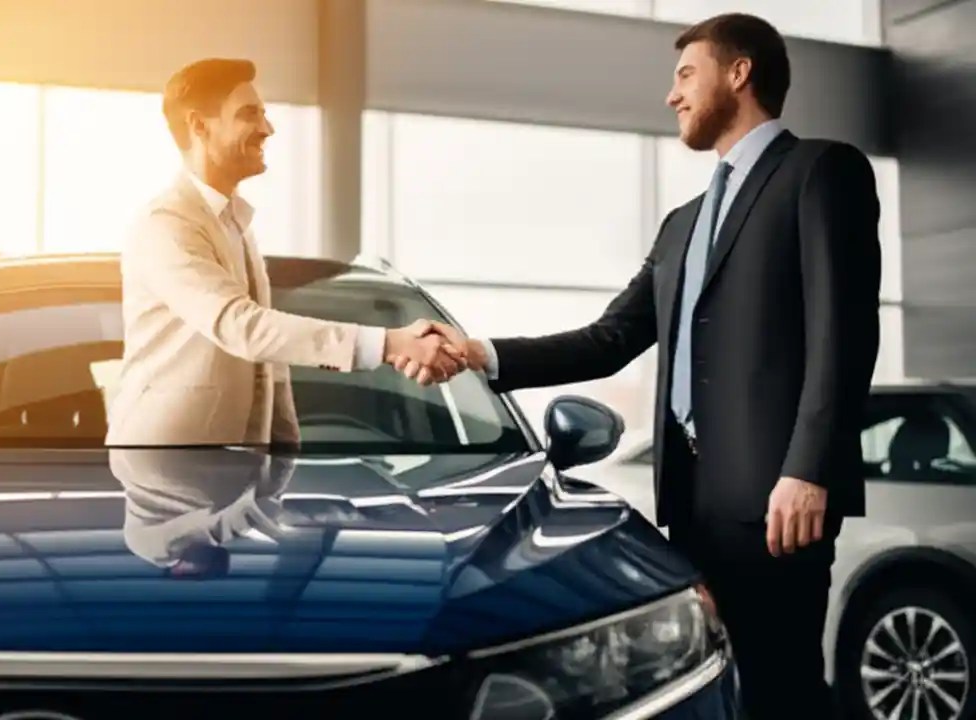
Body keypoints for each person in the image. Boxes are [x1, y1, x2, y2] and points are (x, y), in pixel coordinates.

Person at [394, 14, 881, 717]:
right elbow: (609, 338)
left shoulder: (820, 172)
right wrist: (479, 353)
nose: (671, 95)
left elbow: (844, 333)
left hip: (778, 500)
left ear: (738, 73)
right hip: (692, 501)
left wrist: (808, 471)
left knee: (782, 690)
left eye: (686, 75)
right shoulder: (683, 223)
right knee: (705, 689)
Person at [105, 58, 463, 449]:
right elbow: (243, 327)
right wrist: (389, 344)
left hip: (242, 468)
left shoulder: (234, 222)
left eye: (263, 114)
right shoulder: (165, 224)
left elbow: (266, 364)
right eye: (249, 114)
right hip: (167, 465)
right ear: (199, 126)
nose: (267, 128)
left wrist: (280, 456)